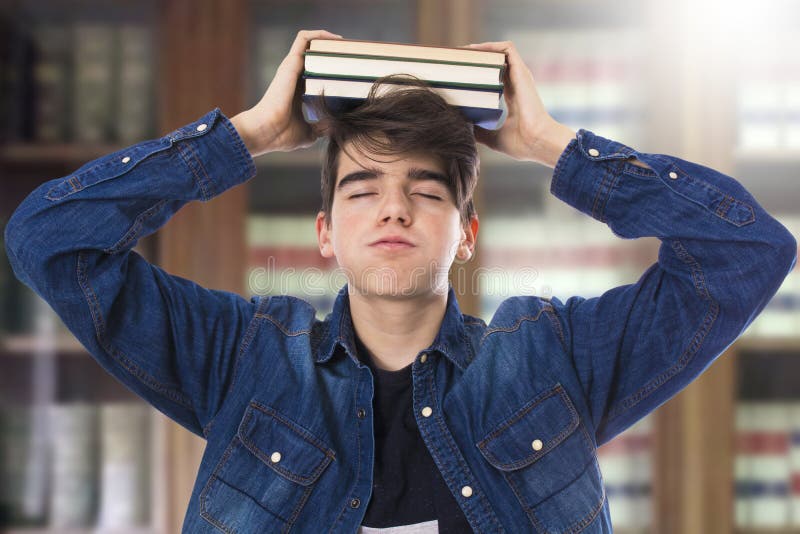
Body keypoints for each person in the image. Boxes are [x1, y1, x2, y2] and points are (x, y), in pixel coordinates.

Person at [4, 28, 796, 533]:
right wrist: (245, 135)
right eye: (360, 190)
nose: (394, 210)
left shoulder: (556, 357)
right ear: (323, 235)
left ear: (465, 235)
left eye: (425, 190)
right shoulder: (239, 357)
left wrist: (554, 142)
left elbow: (746, 252)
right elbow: (49, 238)